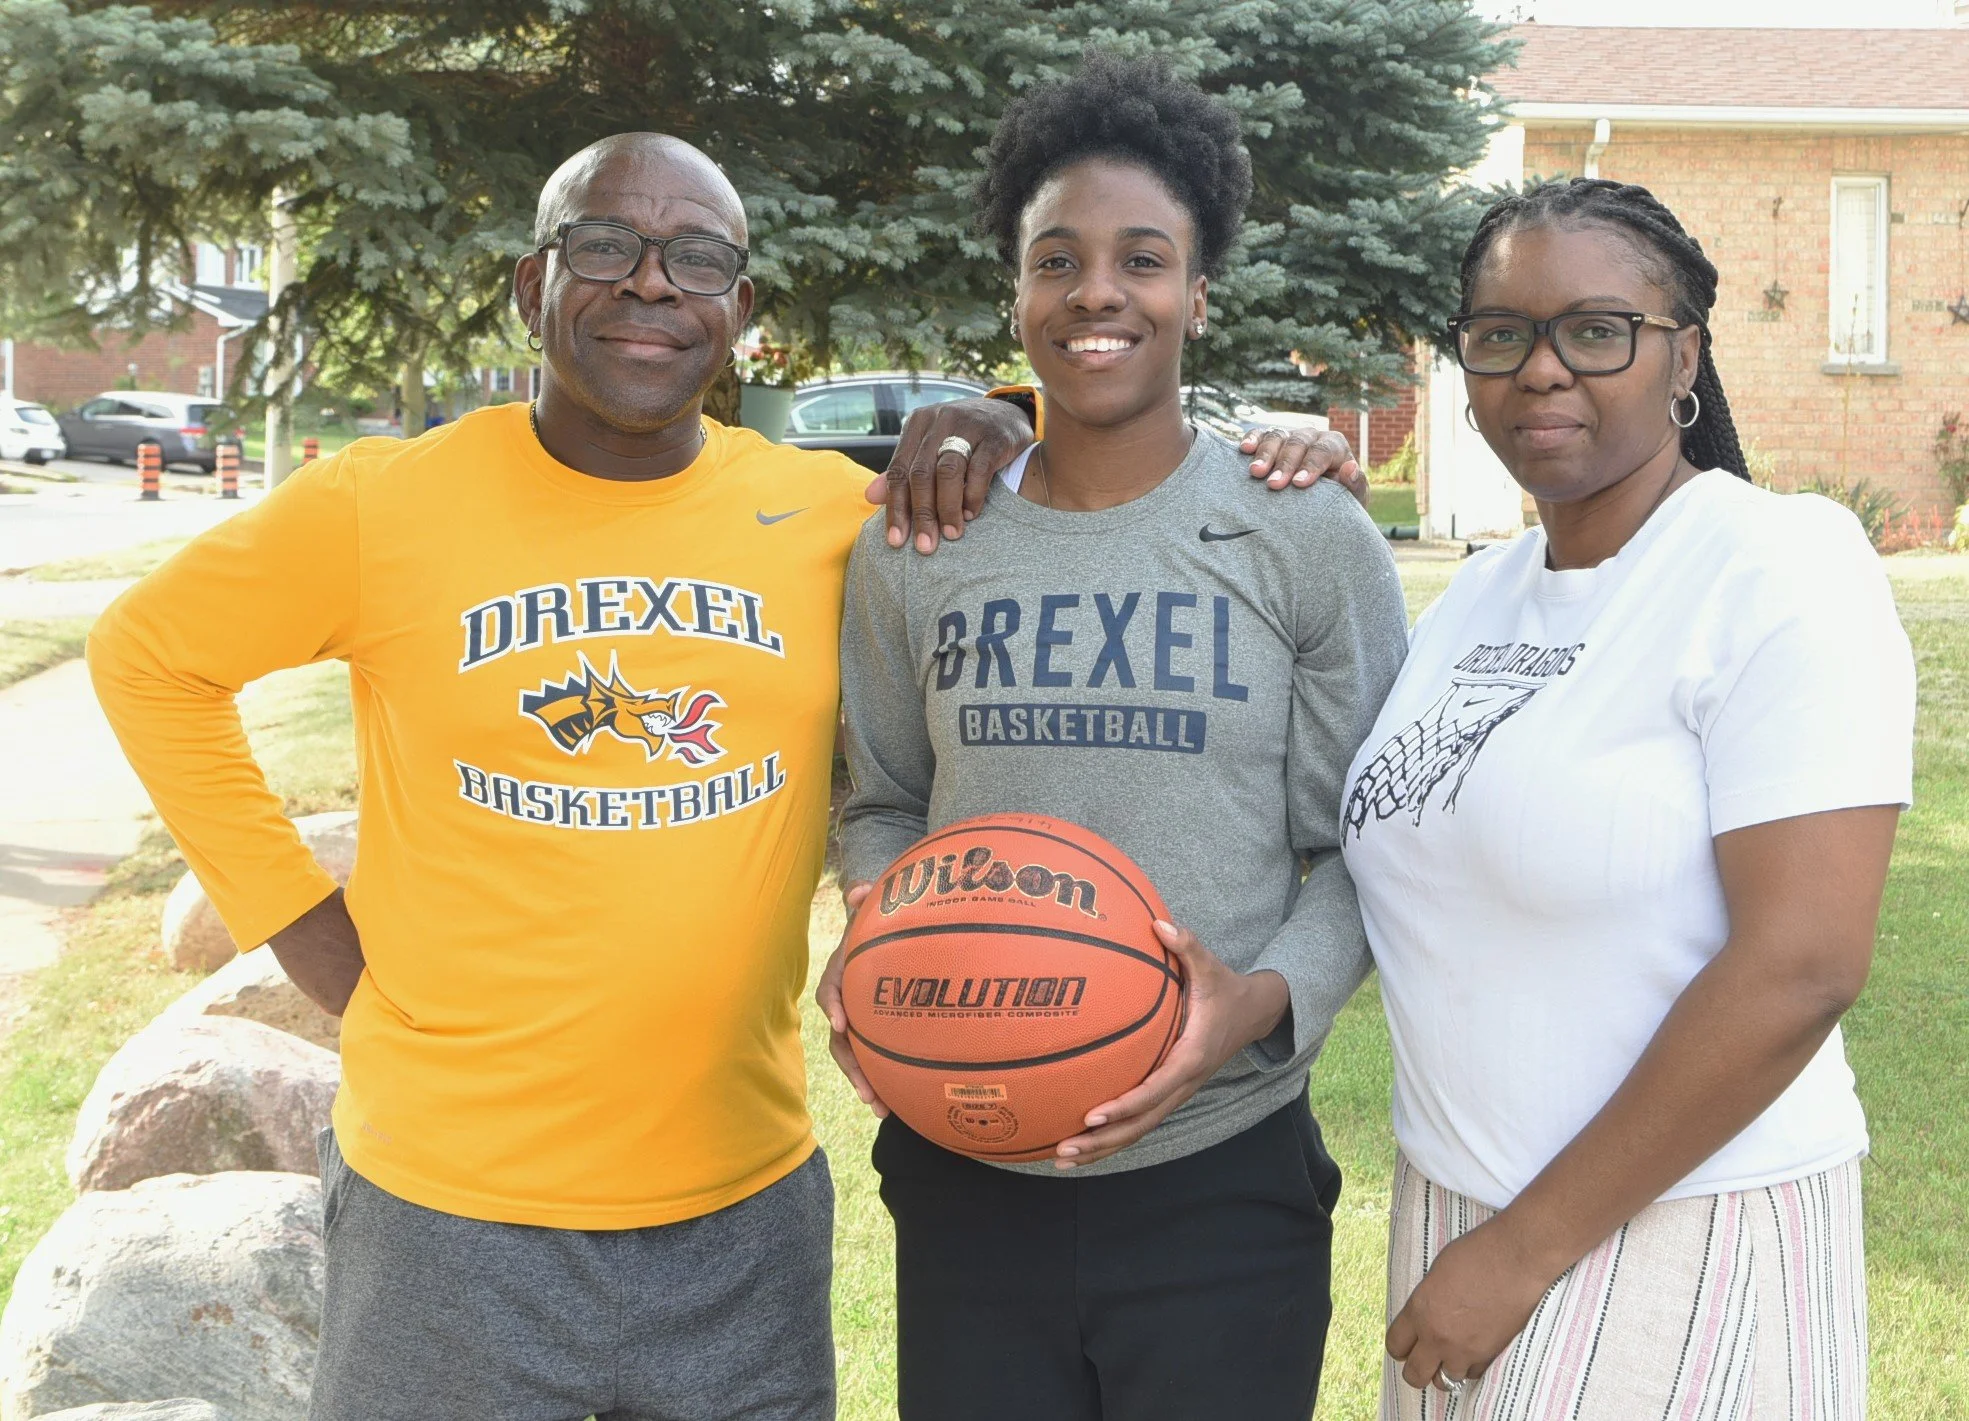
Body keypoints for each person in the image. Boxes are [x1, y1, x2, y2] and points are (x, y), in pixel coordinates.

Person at [87, 132, 1355, 1420]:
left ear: (738, 314)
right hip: (448, 1204)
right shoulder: (381, 502)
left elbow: (1080, 458)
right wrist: (315, 941)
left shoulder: (831, 517)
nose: (650, 284)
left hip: (741, 1207)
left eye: (696, 258)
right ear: (533, 287)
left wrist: (1020, 416)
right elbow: (148, 658)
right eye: (601, 245)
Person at [819, 56, 1409, 1421]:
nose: (1098, 293)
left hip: (1221, 1172)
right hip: (969, 1158)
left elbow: (1361, 849)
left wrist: (1250, 1006)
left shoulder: (1302, 535)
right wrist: (875, 929)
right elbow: (886, 801)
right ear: (1017, 292)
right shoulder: (919, 542)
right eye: (1056, 260)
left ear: (1197, 293)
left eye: (1143, 259)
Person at [1339, 178, 1915, 1421]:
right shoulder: (1483, 596)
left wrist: (1522, 1248)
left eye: (1595, 330)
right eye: (1500, 335)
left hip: (1670, 1223)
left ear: (1682, 358)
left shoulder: (1778, 565)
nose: (1541, 368)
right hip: (1459, 1205)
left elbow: (1802, 962)